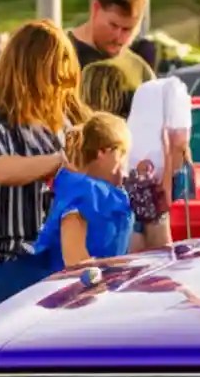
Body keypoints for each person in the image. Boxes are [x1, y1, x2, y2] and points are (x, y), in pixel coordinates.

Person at [0, 19, 91, 307]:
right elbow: (3, 169)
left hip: (64, 258)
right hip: (15, 261)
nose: (61, 84)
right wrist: (60, 161)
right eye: (54, 74)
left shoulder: (67, 118)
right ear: (30, 70)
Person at [32, 112, 134, 274]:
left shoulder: (108, 195)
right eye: (121, 153)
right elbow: (75, 262)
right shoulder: (79, 194)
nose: (124, 162)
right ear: (103, 152)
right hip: (76, 294)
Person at [69, 0, 155, 117]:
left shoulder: (141, 73)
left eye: (127, 29)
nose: (118, 36)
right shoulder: (57, 56)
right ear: (96, 9)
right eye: (113, 25)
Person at [124, 76, 191, 252]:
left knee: (134, 242)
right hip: (157, 182)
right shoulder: (175, 91)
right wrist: (169, 181)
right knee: (159, 250)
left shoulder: (143, 95)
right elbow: (178, 142)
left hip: (130, 179)